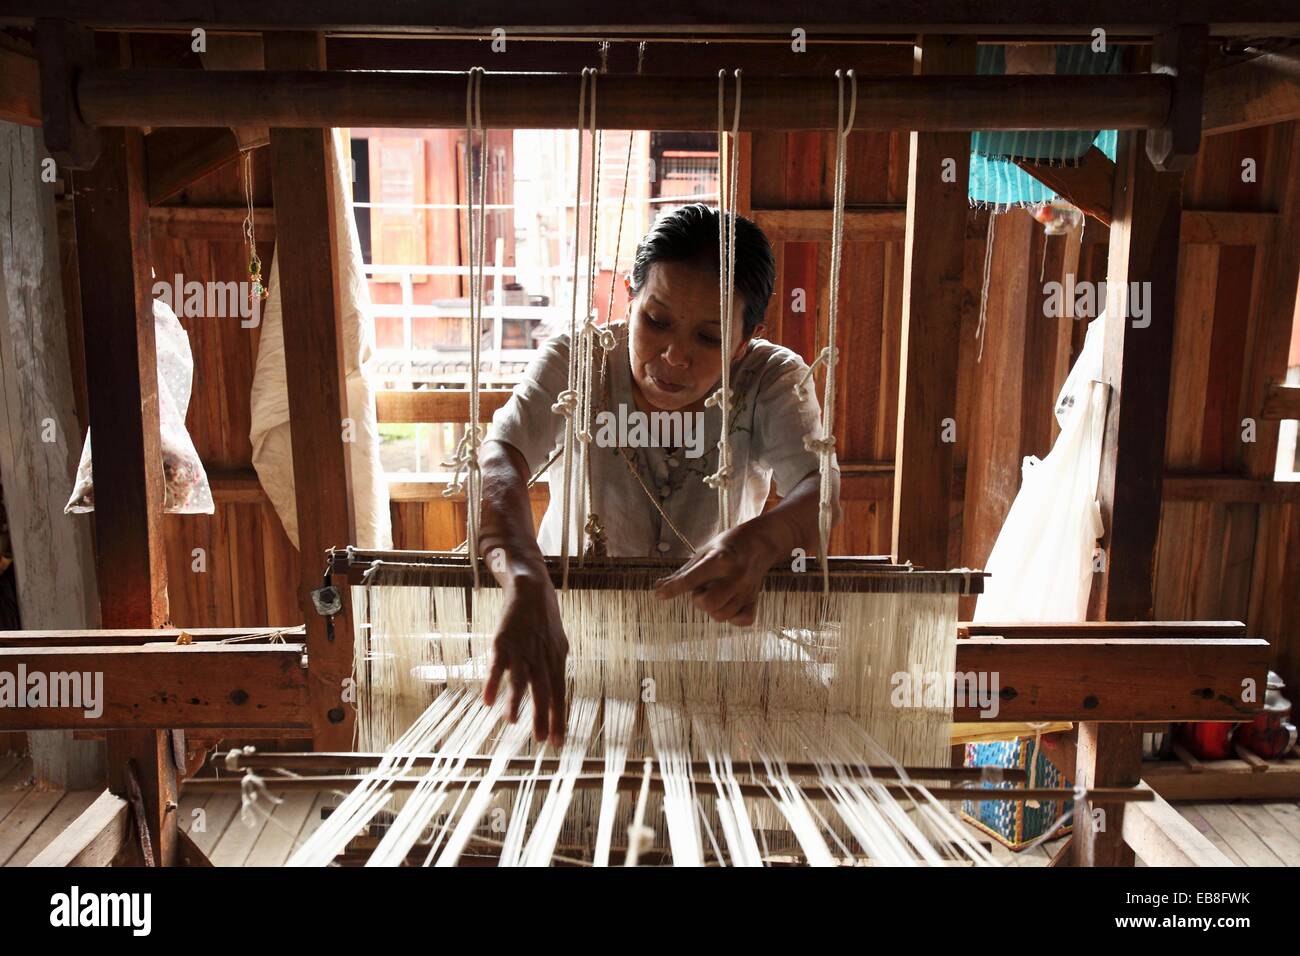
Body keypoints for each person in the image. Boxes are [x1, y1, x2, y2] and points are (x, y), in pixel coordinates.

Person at [476, 203, 841, 745]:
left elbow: (821, 490)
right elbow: (499, 459)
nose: (674, 356)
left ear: (744, 340)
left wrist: (766, 540)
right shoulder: (576, 362)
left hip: (714, 664)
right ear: (630, 298)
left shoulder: (768, 378)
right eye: (657, 321)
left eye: (709, 338)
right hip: (569, 644)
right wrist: (524, 575)